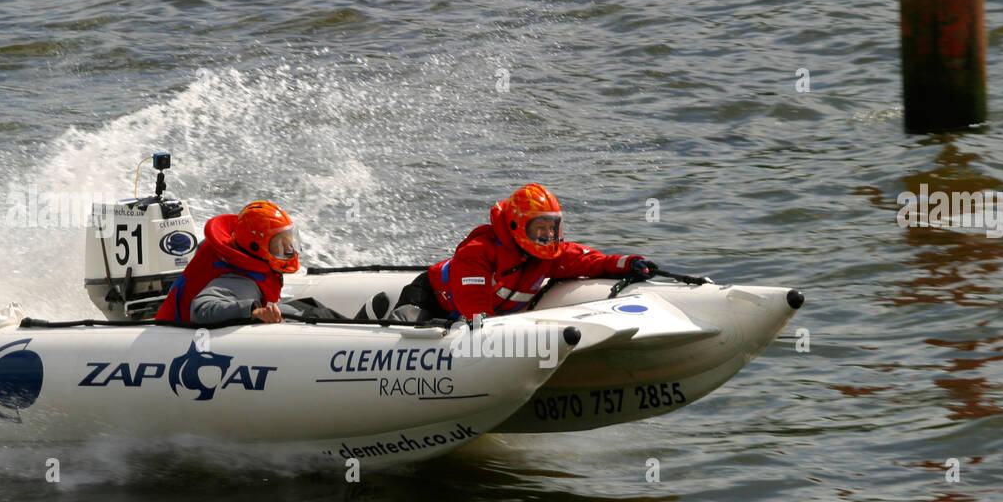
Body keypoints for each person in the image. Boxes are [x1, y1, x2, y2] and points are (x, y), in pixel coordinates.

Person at [388, 184, 655, 322]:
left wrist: (627, 263)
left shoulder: (549, 255)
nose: (548, 236)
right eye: (540, 228)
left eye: (552, 227)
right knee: (410, 328)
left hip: (472, 319)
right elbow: (475, 310)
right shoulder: (478, 252)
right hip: (428, 300)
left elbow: (589, 262)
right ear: (517, 225)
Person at [155, 201, 349, 324]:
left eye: (289, 242)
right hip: (182, 337)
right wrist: (254, 311)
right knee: (301, 313)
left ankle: (359, 322)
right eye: (280, 244)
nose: (289, 250)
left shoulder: (237, 260)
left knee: (309, 306)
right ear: (256, 246)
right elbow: (201, 309)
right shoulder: (239, 281)